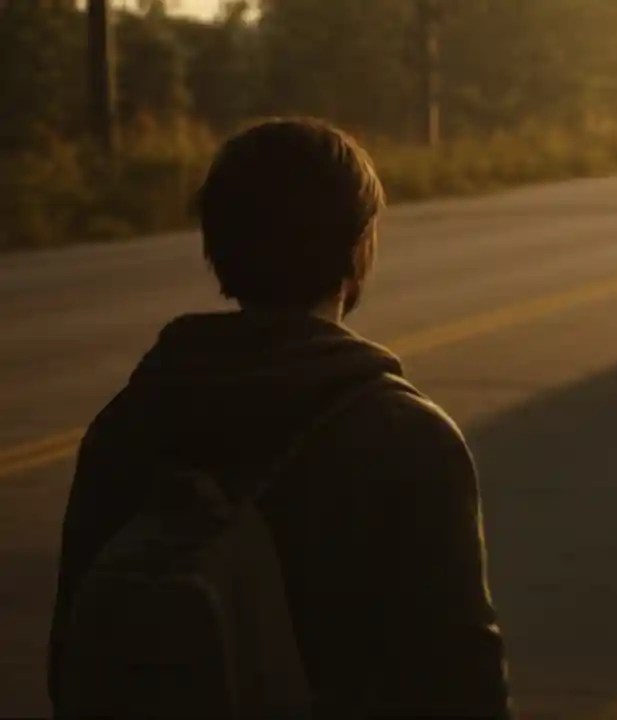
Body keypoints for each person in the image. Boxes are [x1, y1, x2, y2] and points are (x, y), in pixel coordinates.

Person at [47, 118, 512, 717]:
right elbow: (463, 678)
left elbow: (73, 663)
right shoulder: (407, 437)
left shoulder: (127, 423)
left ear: (217, 245)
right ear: (357, 246)